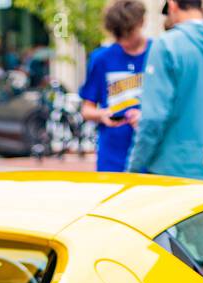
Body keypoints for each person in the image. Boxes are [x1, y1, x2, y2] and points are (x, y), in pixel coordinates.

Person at [128, 0, 203, 183]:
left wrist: (134, 167)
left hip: (175, 167)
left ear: (173, 5)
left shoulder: (167, 45)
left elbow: (154, 117)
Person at [79, 0, 150, 173]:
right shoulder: (101, 58)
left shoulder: (159, 53)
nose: (123, 41)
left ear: (141, 23)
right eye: (119, 36)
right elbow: (86, 109)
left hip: (150, 154)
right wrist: (102, 115)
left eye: (128, 33)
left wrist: (147, 117)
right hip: (112, 156)